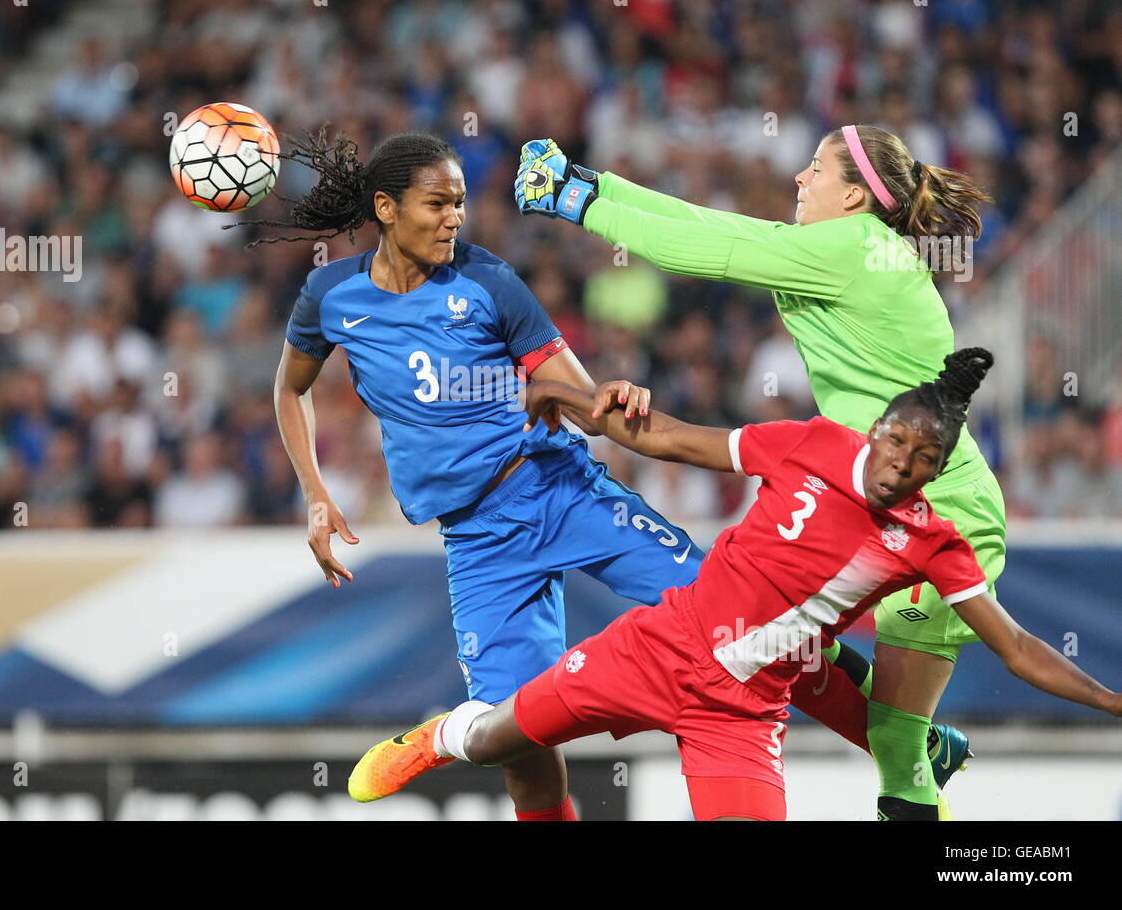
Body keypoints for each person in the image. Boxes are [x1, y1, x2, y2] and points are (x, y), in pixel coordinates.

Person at [348, 350, 1121, 820]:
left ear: (937, 470)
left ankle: (912, 745)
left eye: (923, 460)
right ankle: (437, 735)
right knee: (492, 742)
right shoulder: (812, 443)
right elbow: (680, 440)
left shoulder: (932, 540)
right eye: (896, 442)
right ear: (878, 428)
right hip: (655, 648)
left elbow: (1016, 649)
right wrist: (584, 404)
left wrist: (1113, 701)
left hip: (742, 716)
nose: (901, 464)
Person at [513, 127, 1005, 819]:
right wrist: (596, 186)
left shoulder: (856, 248)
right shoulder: (842, 247)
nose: (799, 178)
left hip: (940, 510)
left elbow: (715, 252)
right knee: (769, 637)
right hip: (871, 504)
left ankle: (916, 754)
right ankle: (918, 741)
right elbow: (719, 227)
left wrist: (577, 206)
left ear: (856, 195)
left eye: (815, 169)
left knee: (895, 753)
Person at [262, 129, 707, 820]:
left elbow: (586, 406)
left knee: (733, 614)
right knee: (520, 750)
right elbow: (290, 390)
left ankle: (900, 741)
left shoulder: (488, 280)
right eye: (437, 204)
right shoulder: (330, 296)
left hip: (557, 492)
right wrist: (316, 496)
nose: (455, 218)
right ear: (385, 207)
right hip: (477, 539)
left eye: (460, 203)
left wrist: (611, 401)